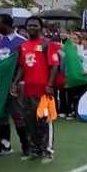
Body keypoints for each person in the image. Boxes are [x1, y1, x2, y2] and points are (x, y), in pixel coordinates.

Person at [12, 17, 60, 163]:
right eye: (29, 25)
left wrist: (50, 85)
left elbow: (54, 66)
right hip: (27, 89)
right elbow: (21, 66)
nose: (32, 28)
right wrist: (15, 82)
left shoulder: (47, 44)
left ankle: (47, 150)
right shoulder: (24, 46)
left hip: (43, 89)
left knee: (44, 120)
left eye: (35, 25)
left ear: (40, 27)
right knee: (30, 120)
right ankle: (35, 149)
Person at [0, 13, 29, 156]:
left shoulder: (22, 41)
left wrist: (16, 83)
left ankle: (26, 146)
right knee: (0, 116)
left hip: (14, 85)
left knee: (18, 115)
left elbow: (24, 65)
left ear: (7, 25)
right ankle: (5, 145)